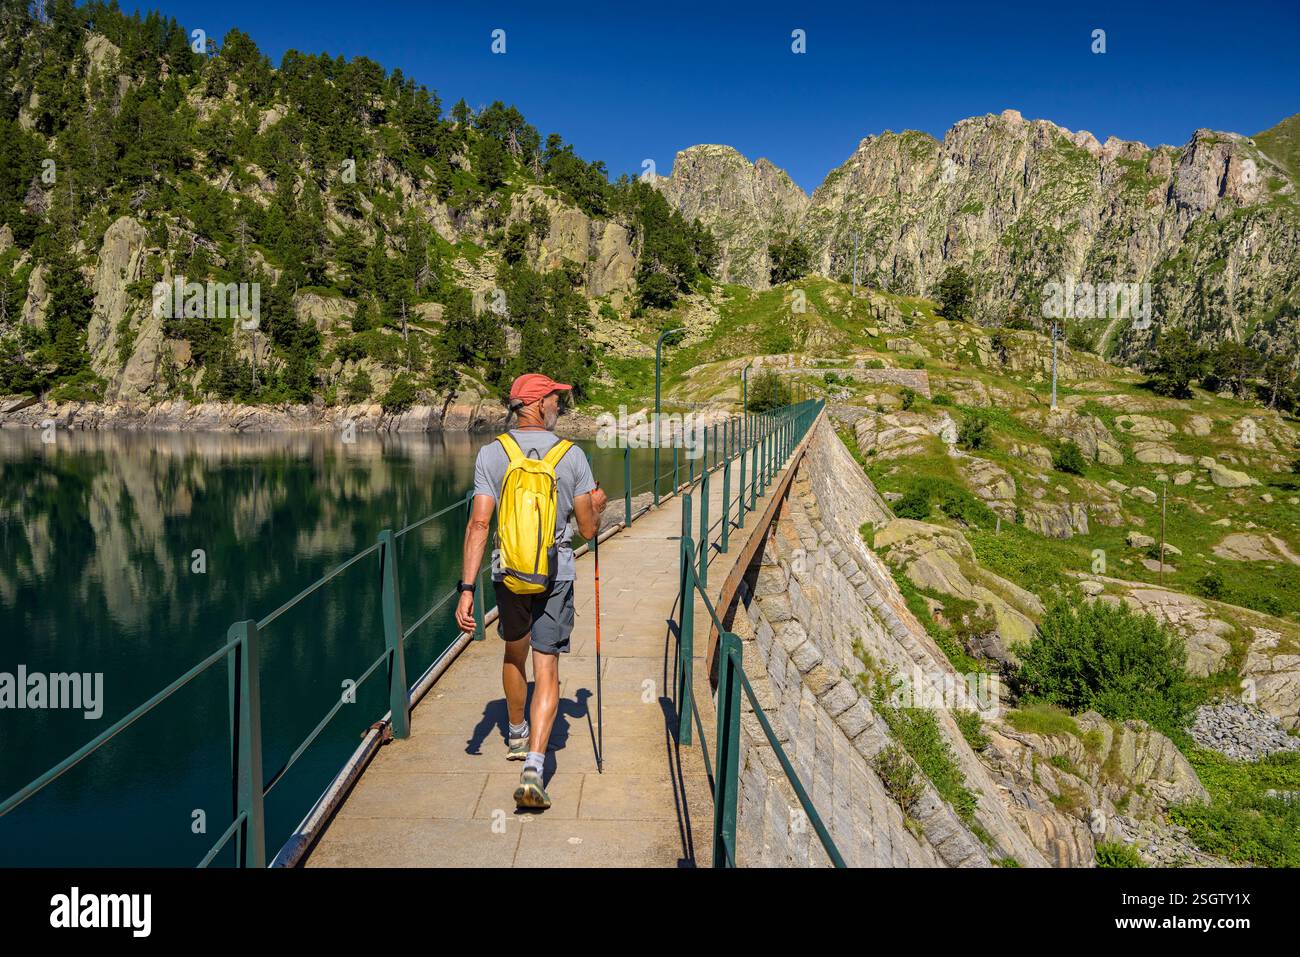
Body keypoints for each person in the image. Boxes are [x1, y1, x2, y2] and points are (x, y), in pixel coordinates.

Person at [455, 373, 607, 810]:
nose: (560, 404)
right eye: (556, 398)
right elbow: (587, 529)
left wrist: (467, 589)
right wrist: (596, 506)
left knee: (513, 654)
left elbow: (479, 524)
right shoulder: (571, 456)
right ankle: (535, 768)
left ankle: (517, 733)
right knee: (549, 667)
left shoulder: (492, 454)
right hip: (555, 575)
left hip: (509, 573)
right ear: (538, 404)